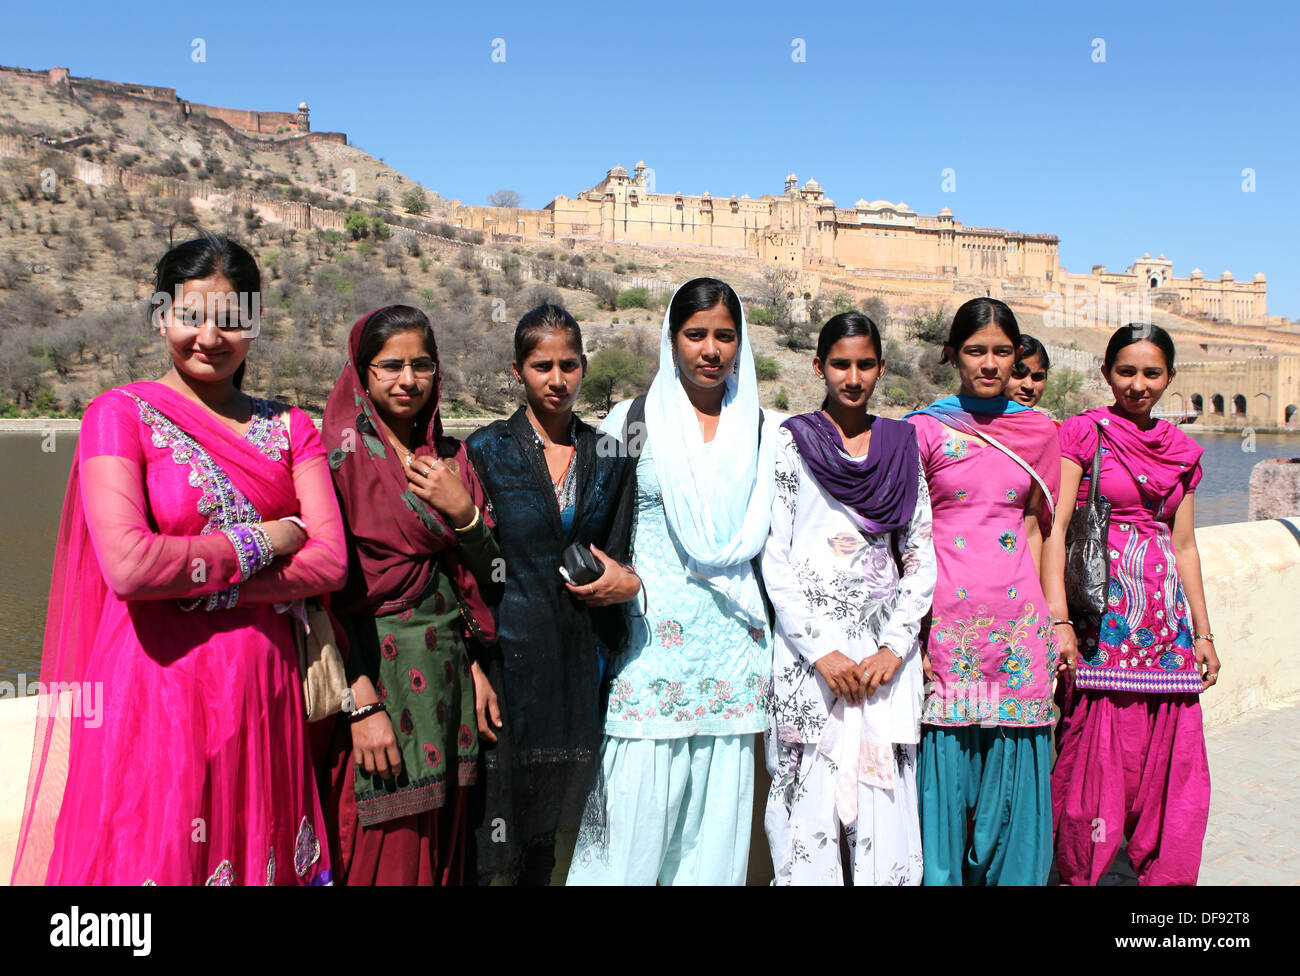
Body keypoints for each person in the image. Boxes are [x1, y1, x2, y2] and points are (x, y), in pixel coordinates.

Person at [12, 234, 345, 885]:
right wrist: (268, 542)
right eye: (191, 316)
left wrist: (211, 588)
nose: (209, 337)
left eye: (229, 319)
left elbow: (331, 563)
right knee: (160, 852)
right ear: (161, 314)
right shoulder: (119, 416)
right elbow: (129, 567)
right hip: (158, 688)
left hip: (261, 690)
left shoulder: (291, 429)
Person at [567, 277, 779, 886]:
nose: (711, 350)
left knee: (711, 841)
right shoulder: (632, 422)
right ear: (671, 339)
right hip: (649, 653)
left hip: (734, 659)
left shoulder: (764, 431)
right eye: (695, 335)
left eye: (725, 336)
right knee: (629, 830)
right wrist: (610, 578)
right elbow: (588, 519)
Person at [320, 305, 502, 886]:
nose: (408, 380)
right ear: (361, 372)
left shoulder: (451, 460)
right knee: (381, 854)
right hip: (375, 684)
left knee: (440, 857)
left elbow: (489, 577)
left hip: (444, 687)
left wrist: (465, 514)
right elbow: (316, 601)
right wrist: (360, 702)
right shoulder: (335, 464)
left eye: (421, 365)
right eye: (390, 366)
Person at [465, 304, 641, 885]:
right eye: (543, 366)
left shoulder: (611, 455)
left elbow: (619, 551)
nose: (557, 379)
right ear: (518, 370)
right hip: (509, 668)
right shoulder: (485, 452)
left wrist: (621, 586)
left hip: (578, 671)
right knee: (501, 830)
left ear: (584, 366)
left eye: (569, 364)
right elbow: (464, 570)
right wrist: (474, 664)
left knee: (563, 836)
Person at [762, 312, 936, 885]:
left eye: (865, 364)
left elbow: (920, 557)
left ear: (882, 368)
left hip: (882, 663)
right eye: (841, 363)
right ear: (819, 367)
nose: (853, 376)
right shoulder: (792, 442)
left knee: (885, 812)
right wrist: (821, 653)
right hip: (812, 662)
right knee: (803, 818)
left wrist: (892, 648)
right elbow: (775, 557)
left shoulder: (900, 446)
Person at [1043, 322, 1217, 886]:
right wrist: (1060, 621)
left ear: (1169, 377)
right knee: (1093, 753)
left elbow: (1184, 544)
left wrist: (1204, 633)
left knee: (1166, 757)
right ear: (1105, 373)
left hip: (1164, 628)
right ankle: (1082, 869)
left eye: (1151, 373)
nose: (1138, 384)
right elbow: (1057, 528)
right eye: (1126, 371)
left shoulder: (1183, 451)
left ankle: (1159, 872)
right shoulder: (1082, 434)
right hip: (1101, 622)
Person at [905, 297, 1061, 886]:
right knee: (948, 766)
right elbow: (908, 537)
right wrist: (912, 629)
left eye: (1002, 351)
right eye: (976, 351)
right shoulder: (922, 430)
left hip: (1021, 626)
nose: (990, 364)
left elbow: (1040, 531)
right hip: (946, 624)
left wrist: (1056, 621)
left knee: (1014, 770)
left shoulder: (1040, 432)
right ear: (952, 355)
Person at [1003, 333, 1051, 410]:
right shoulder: (980, 418)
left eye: (1037, 377)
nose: (1029, 386)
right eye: (1018, 375)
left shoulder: (1041, 422)